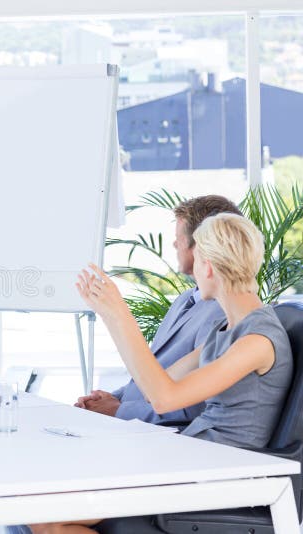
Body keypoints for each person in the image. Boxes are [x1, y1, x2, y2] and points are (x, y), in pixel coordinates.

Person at [26, 213, 292, 534]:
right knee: (40, 508)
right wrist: (111, 316)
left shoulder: (257, 340)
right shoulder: (228, 329)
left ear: (208, 266)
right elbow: (157, 380)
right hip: (193, 453)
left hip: (218, 471)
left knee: (49, 522)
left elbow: (166, 399)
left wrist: (120, 314)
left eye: (196, 261)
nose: (192, 272)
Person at [75, 195, 242, 424]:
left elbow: (193, 405)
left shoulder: (224, 315)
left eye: (179, 239)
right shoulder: (185, 299)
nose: (174, 245)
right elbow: (154, 374)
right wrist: (115, 398)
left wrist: (119, 410)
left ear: (201, 246)